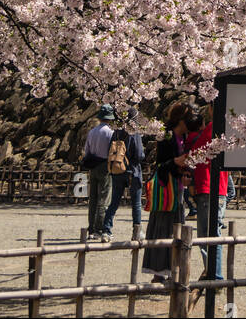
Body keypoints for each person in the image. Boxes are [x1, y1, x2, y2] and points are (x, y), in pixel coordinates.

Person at [141, 102, 193, 283]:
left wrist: (185, 174)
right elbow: (160, 166)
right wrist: (176, 162)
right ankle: (159, 272)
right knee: (163, 229)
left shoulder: (185, 137)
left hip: (178, 189)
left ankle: (174, 271)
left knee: (178, 229)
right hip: (165, 191)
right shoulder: (166, 136)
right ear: (181, 119)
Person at [187, 104, 229, 283]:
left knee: (207, 235)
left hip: (207, 188)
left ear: (212, 108)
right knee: (213, 233)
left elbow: (194, 153)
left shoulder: (213, 128)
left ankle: (214, 274)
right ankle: (212, 272)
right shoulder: (227, 130)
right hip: (220, 188)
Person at [101, 107, 145, 244]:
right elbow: (138, 154)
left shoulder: (117, 132)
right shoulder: (134, 132)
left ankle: (106, 230)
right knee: (136, 203)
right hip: (132, 171)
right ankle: (136, 231)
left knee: (114, 201)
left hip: (117, 169)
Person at [81, 104, 115, 241]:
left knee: (93, 198)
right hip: (105, 165)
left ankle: (91, 228)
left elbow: (87, 151)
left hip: (93, 165)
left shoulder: (92, 132)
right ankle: (100, 228)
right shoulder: (110, 133)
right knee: (104, 198)